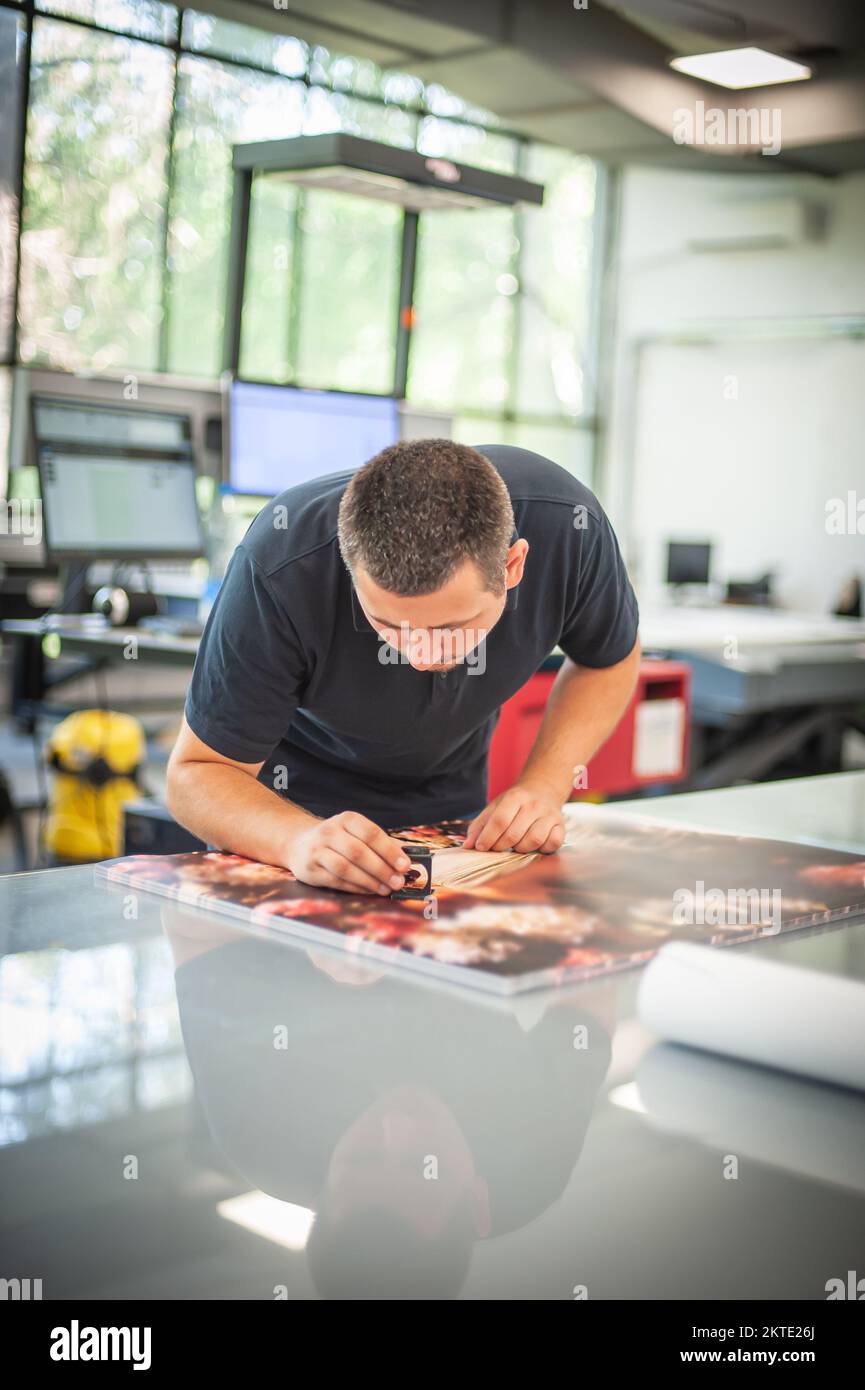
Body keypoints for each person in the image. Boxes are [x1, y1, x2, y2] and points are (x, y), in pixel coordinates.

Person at [167, 441, 640, 895]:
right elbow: (196, 775)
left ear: (513, 567)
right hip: (284, 823)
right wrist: (296, 840)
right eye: (388, 623)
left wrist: (546, 784)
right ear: (350, 569)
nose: (422, 656)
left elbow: (608, 660)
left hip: (451, 819)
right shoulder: (282, 564)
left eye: (453, 626)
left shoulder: (568, 528)